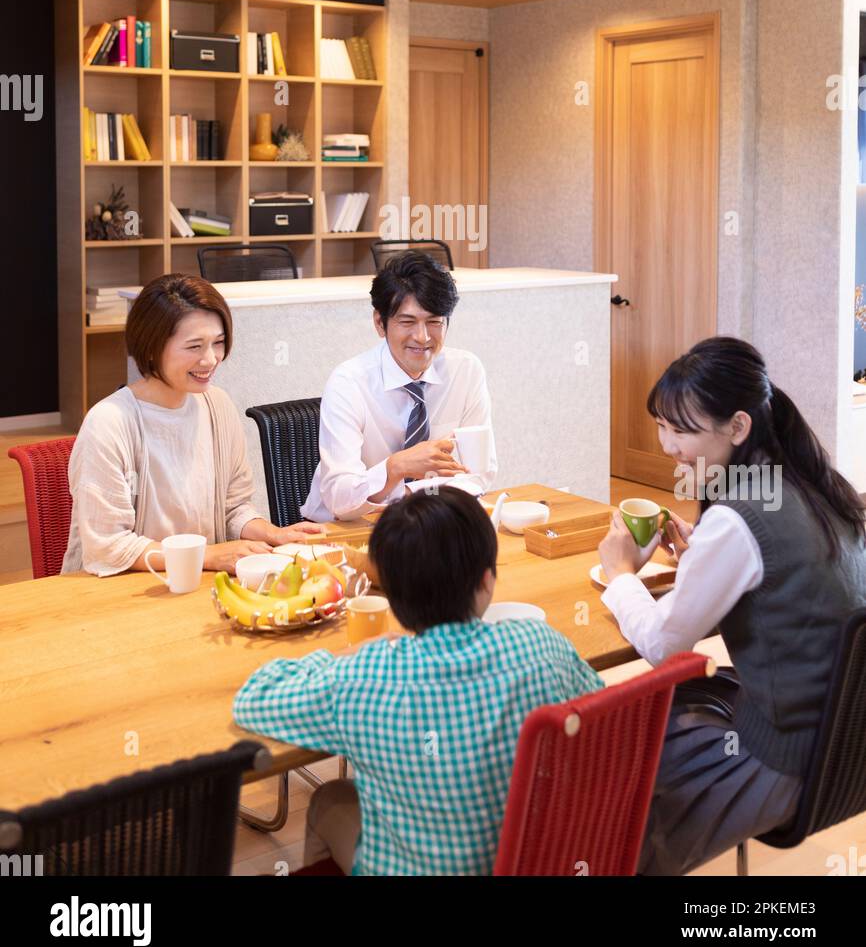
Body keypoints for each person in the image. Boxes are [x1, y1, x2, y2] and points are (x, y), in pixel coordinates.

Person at [597, 336, 866, 876]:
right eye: (662, 425)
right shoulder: (817, 483)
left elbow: (660, 646)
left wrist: (620, 572)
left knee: (614, 760)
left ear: (738, 427)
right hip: (847, 748)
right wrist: (704, 553)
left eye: (681, 429)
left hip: (785, 762)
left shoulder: (739, 517)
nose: (667, 444)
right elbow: (788, 579)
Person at [234, 485, 601, 875]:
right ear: (488, 580)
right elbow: (601, 711)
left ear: (390, 594)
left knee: (328, 800)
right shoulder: (541, 645)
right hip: (545, 860)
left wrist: (341, 657)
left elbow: (253, 698)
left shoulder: (366, 675)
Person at [62, 273, 322, 576]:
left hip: (195, 584)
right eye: (194, 346)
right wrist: (207, 556)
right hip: (119, 591)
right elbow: (109, 546)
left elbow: (233, 508)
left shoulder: (218, 406)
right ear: (151, 347)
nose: (210, 359)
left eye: (218, 343)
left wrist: (270, 532)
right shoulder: (110, 423)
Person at [301, 252, 497, 522]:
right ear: (380, 323)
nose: (423, 337)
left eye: (434, 322)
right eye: (407, 322)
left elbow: (479, 473)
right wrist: (398, 467)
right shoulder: (349, 382)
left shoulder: (466, 371)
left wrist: (407, 493)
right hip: (347, 528)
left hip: (429, 524)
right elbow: (339, 497)